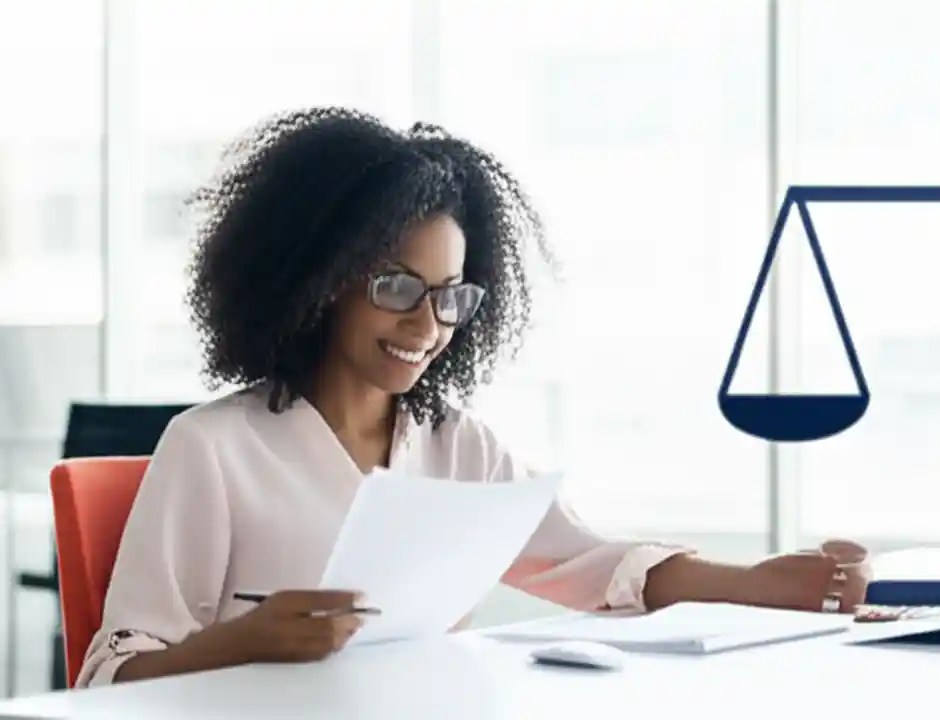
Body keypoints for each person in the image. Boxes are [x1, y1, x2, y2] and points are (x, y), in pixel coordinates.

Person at [77, 108, 873, 688]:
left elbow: (596, 566)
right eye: (397, 289)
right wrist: (246, 639)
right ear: (319, 287)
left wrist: (758, 584)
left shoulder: (456, 446)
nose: (428, 325)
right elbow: (104, 678)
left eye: (451, 296)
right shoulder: (214, 449)